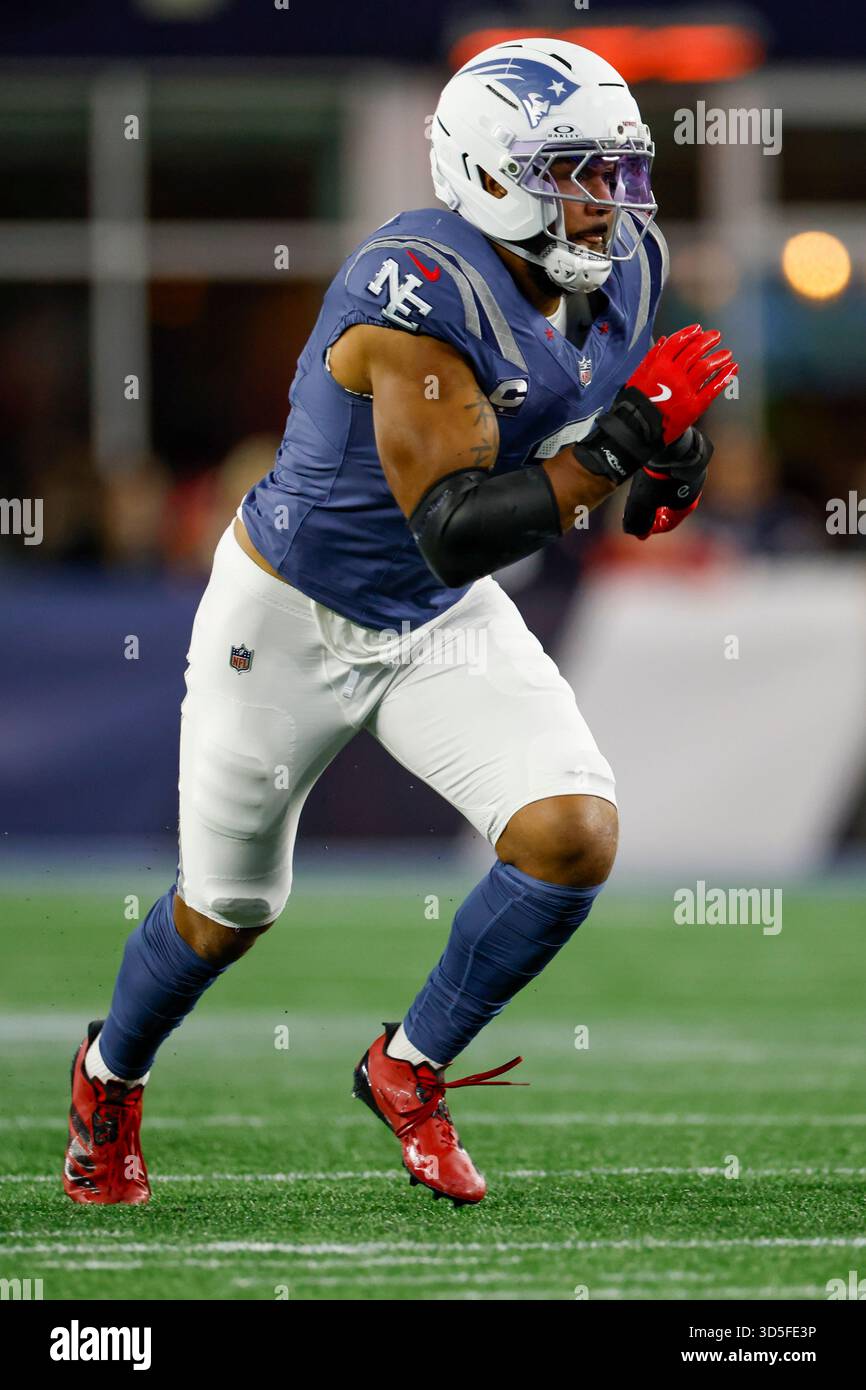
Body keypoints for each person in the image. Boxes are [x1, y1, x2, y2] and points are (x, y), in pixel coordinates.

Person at [63, 36, 736, 1208]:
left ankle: (407, 1065)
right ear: (492, 171)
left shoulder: (623, 264)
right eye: (580, 173)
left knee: (570, 834)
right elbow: (458, 525)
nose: (609, 207)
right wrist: (625, 439)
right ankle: (109, 1074)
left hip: (430, 618)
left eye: (619, 174)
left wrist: (664, 449)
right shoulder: (413, 293)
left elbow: (576, 421)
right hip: (288, 615)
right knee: (225, 913)